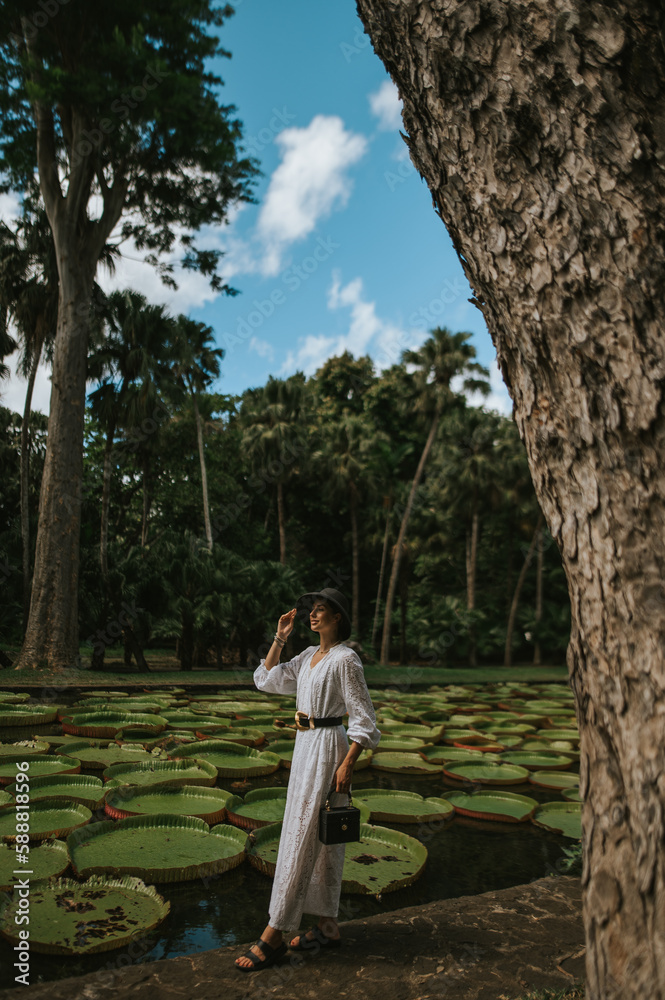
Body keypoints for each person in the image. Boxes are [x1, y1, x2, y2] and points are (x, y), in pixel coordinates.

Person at [234, 587, 381, 971]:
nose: (311, 616)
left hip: (329, 748)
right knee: (319, 837)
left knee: (303, 833)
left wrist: (348, 763)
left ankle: (274, 933)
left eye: (319, 611)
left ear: (336, 618)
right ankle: (328, 925)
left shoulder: (346, 660)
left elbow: (364, 719)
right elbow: (265, 679)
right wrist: (280, 637)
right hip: (304, 747)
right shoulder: (306, 657)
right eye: (311, 611)